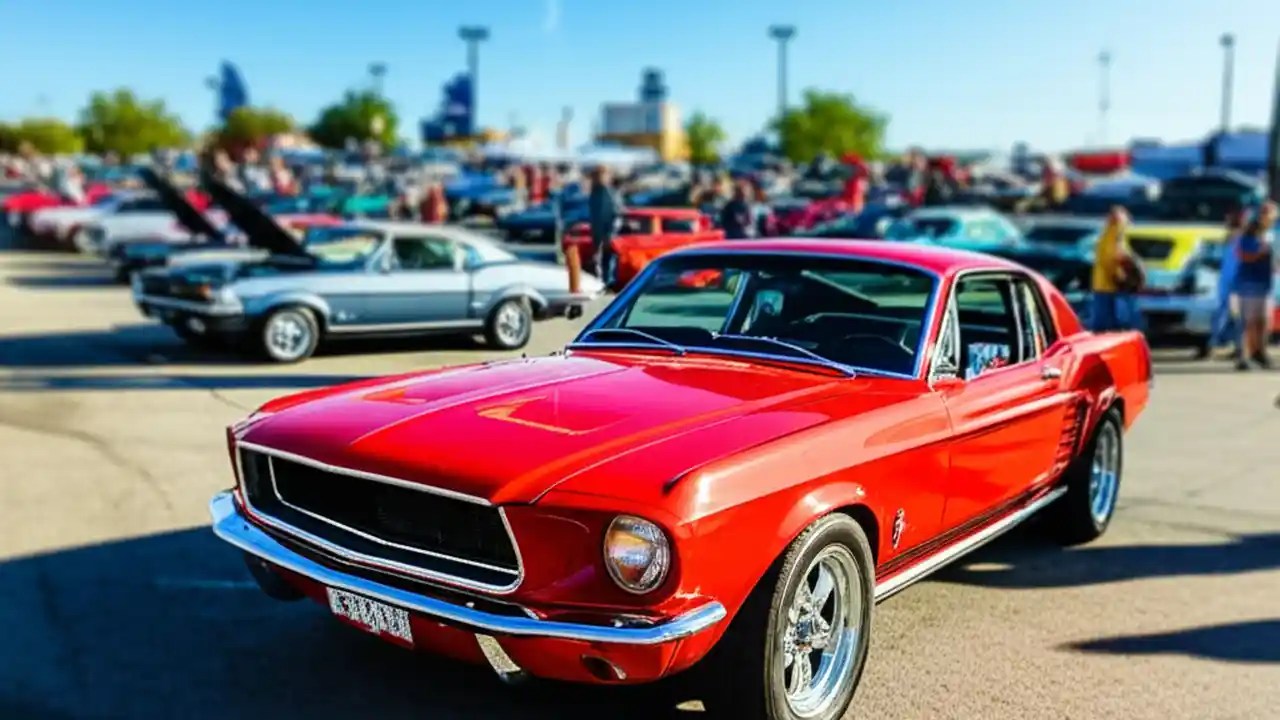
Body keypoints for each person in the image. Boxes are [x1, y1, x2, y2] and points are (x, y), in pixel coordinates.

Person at [1230, 201, 1276, 370]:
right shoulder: (1249, 234)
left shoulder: (1271, 234)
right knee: (1248, 321)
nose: (1271, 219)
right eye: (1269, 215)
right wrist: (1260, 252)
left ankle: (1260, 352)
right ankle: (1244, 355)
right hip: (1248, 283)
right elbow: (1242, 255)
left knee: (1263, 321)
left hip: (1265, 283)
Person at [1091, 206, 1143, 331]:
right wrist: (1120, 277)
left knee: (1106, 320)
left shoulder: (1109, 235)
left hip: (1104, 285)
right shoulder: (1113, 236)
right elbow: (1111, 259)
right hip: (1108, 286)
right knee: (1108, 324)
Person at [1208, 207, 1247, 359]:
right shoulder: (1233, 239)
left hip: (1234, 281)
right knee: (1229, 314)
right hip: (1231, 282)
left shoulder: (1236, 239)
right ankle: (1227, 344)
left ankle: (1232, 345)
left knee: (1230, 314)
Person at [586, 166, 620, 277]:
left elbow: (616, 214)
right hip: (598, 234)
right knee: (599, 261)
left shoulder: (608, 193)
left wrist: (610, 235)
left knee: (608, 261)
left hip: (608, 235)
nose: (597, 178)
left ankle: (608, 281)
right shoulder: (595, 193)